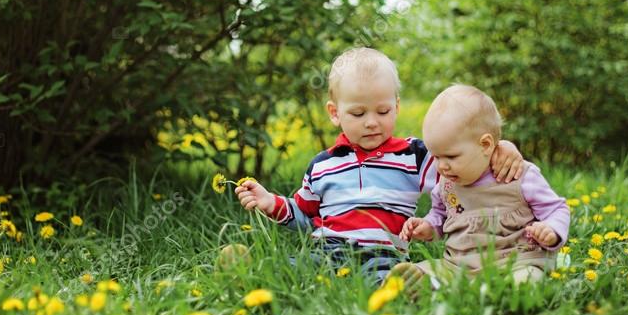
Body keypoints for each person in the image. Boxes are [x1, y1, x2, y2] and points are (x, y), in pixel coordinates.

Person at [231, 48, 525, 286]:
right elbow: (305, 214)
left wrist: (501, 147)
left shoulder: (416, 155)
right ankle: (249, 272)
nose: (372, 121)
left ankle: (407, 288)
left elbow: (463, 169)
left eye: (382, 111)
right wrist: (270, 202)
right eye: (358, 113)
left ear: (396, 106)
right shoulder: (323, 165)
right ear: (335, 113)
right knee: (296, 268)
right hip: (328, 249)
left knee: (386, 280)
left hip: (384, 252)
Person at [391, 84, 569, 291]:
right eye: (436, 157)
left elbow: (557, 209)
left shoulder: (519, 176)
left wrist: (552, 230)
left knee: (526, 278)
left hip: (515, 263)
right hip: (458, 267)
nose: (441, 166)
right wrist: (429, 227)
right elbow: (439, 214)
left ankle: (508, 291)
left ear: (485, 145)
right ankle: (422, 283)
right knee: (431, 268)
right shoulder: (446, 184)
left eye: (451, 156)